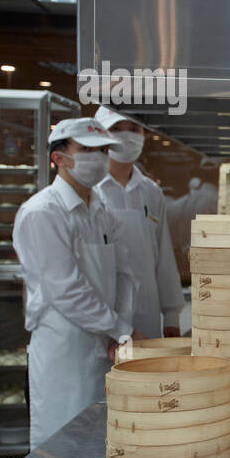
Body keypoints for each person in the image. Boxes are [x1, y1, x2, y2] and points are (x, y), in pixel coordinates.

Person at [13, 118, 141, 447]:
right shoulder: (43, 213)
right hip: (65, 349)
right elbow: (64, 290)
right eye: (86, 150)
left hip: (107, 347)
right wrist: (118, 328)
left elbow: (126, 274)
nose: (97, 158)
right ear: (59, 158)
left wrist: (121, 328)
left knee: (103, 442)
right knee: (62, 444)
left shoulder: (102, 212)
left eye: (101, 150)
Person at [93, 106, 184, 338]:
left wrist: (171, 315)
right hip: (103, 314)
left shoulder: (151, 192)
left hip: (147, 312)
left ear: (144, 135)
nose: (126, 135)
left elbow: (164, 256)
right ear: (101, 134)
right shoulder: (90, 190)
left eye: (134, 129)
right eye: (116, 129)